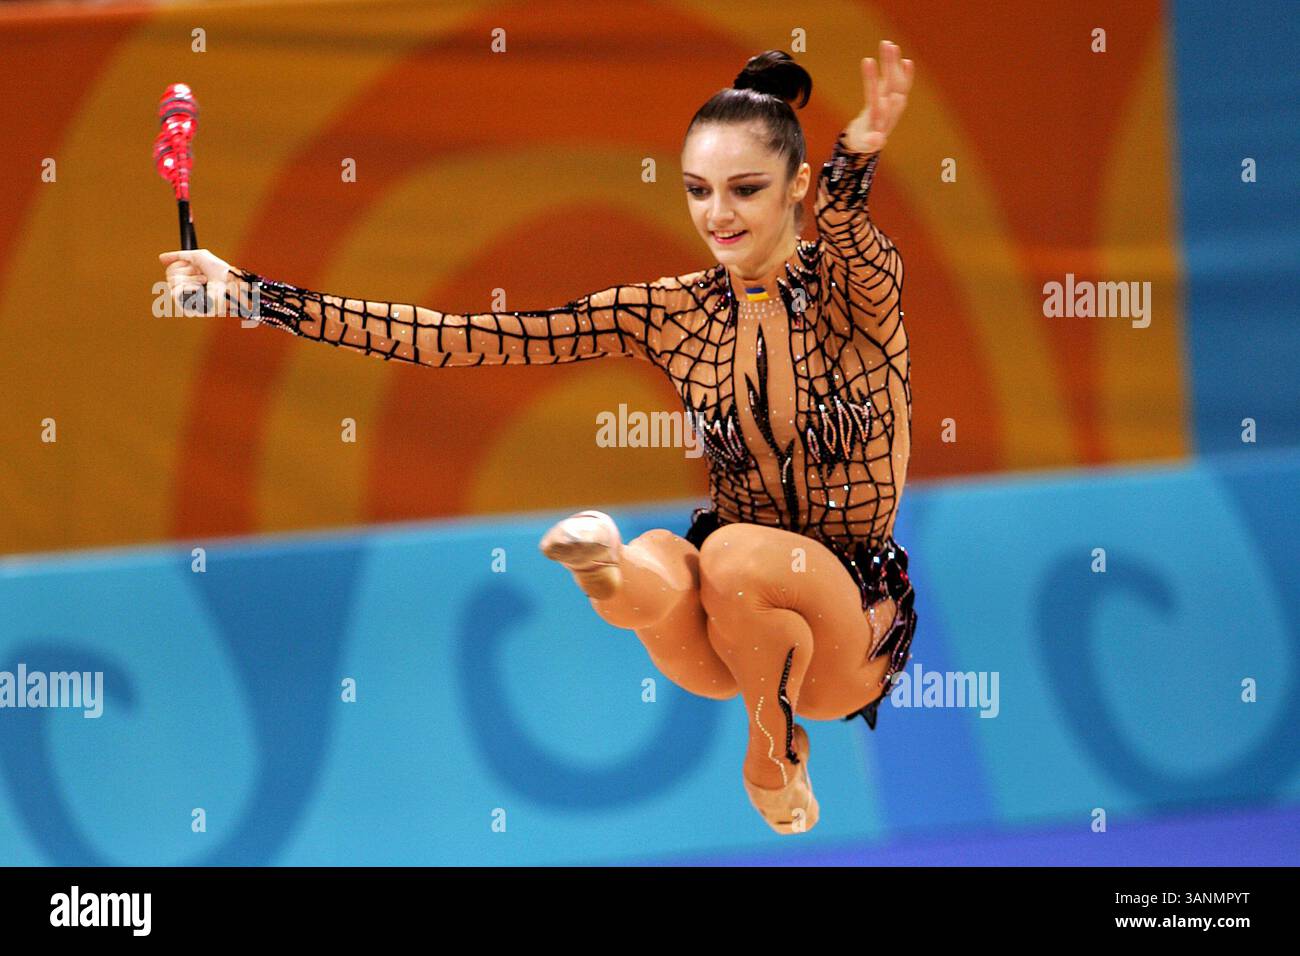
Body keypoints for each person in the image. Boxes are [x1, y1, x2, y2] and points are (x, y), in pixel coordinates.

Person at [160, 41, 916, 835]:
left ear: (797, 184)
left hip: (848, 631)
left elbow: (850, 230)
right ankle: (608, 571)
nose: (716, 215)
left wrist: (856, 152)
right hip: (730, 633)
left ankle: (771, 756)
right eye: (697, 190)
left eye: (745, 189)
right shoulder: (671, 309)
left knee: (729, 555)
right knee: (667, 551)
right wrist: (246, 293)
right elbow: (463, 338)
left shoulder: (855, 297)